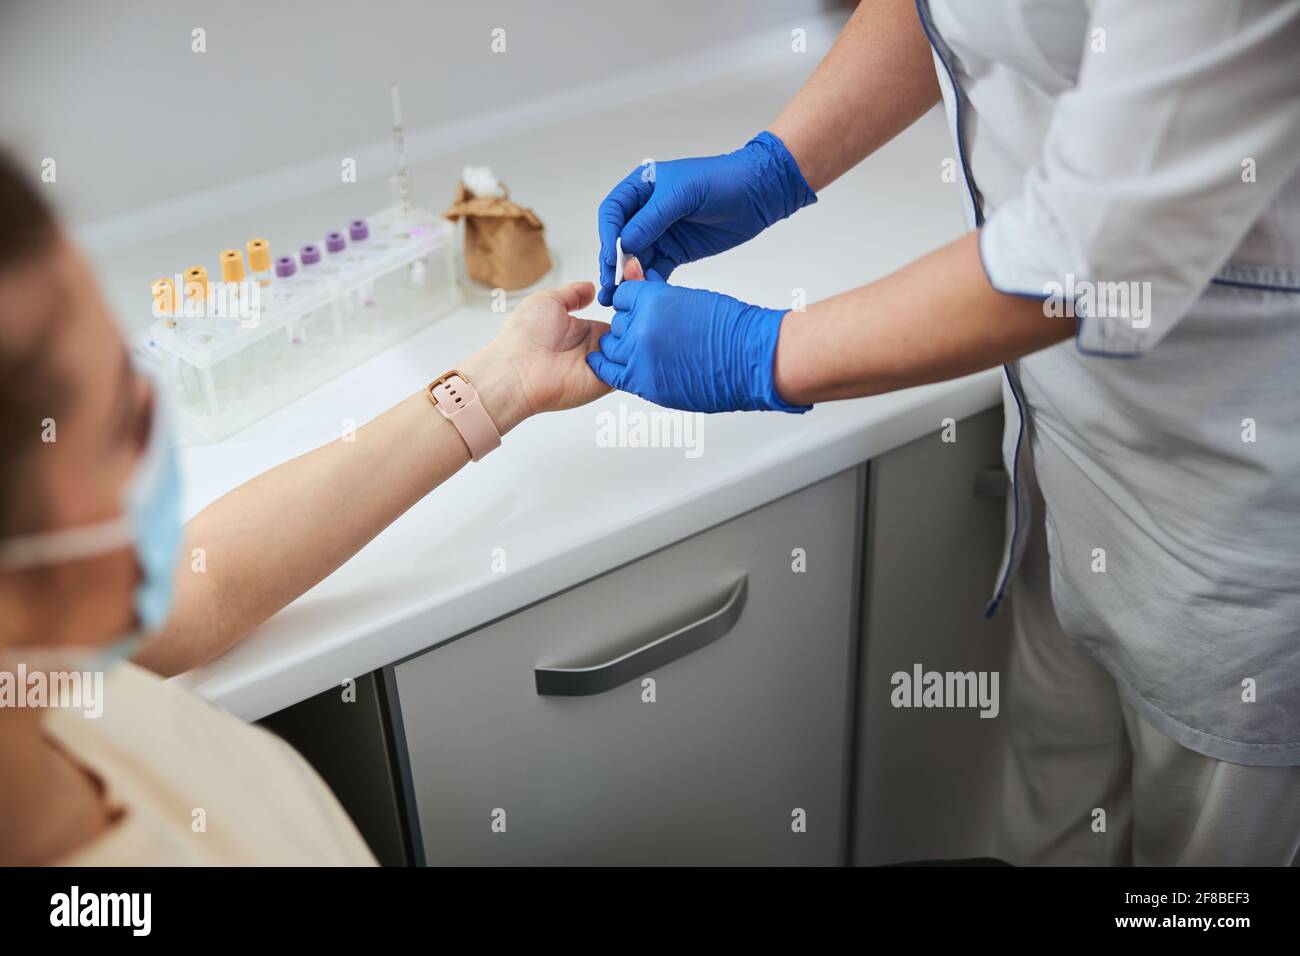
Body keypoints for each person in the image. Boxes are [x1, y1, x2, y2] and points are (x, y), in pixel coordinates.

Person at [589, 0, 1300, 865]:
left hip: (1241, 529)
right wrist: (775, 165)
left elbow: (1094, 256)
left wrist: (761, 352)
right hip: (1071, 472)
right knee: (1053, 818)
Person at [0, 152, 614, 865]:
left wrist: (504, 384)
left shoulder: (52, 661)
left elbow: (206, 586)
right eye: (123, 425)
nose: (157, 439)